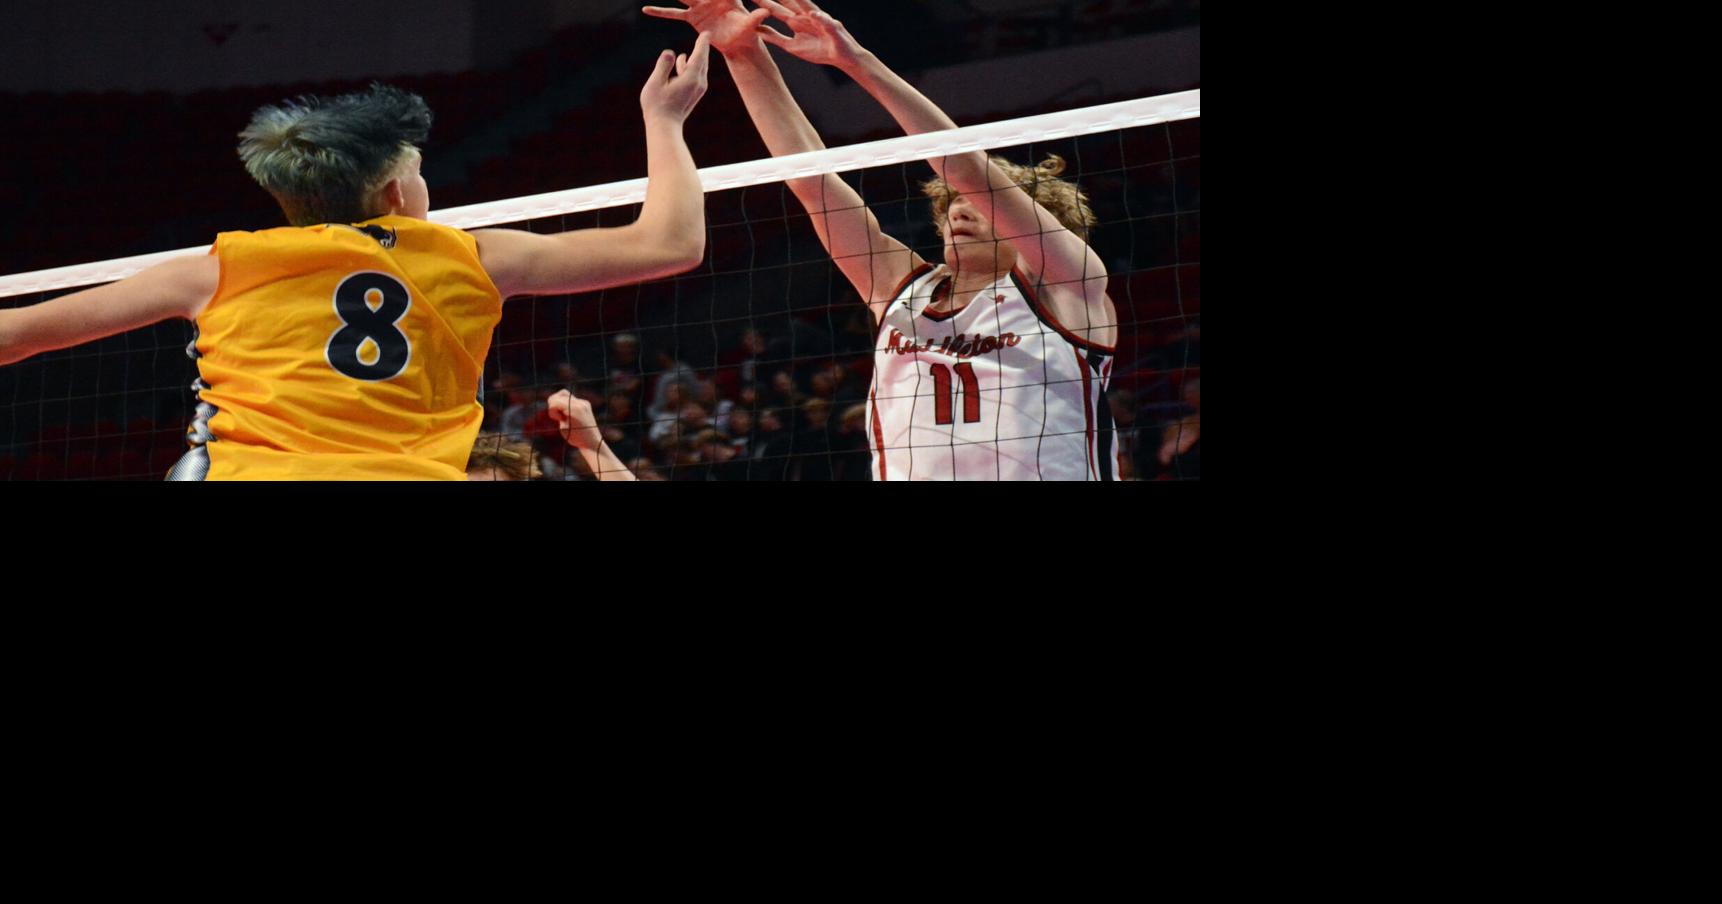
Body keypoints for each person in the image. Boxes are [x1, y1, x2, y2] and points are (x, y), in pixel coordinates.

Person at [0, 35, 714, 480]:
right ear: (400, 191)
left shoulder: (220, 267)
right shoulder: (470, 258)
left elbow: (19, 335)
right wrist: (666, 120)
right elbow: (670, 244)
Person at [643, 1, 1119, 480]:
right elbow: (812, 181)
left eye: (980, 205)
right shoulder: (902, 289)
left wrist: (855, 60)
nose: (960, 207)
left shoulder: (1066, 283)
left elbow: (968, 170)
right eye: (952, 202)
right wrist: (743, 52)